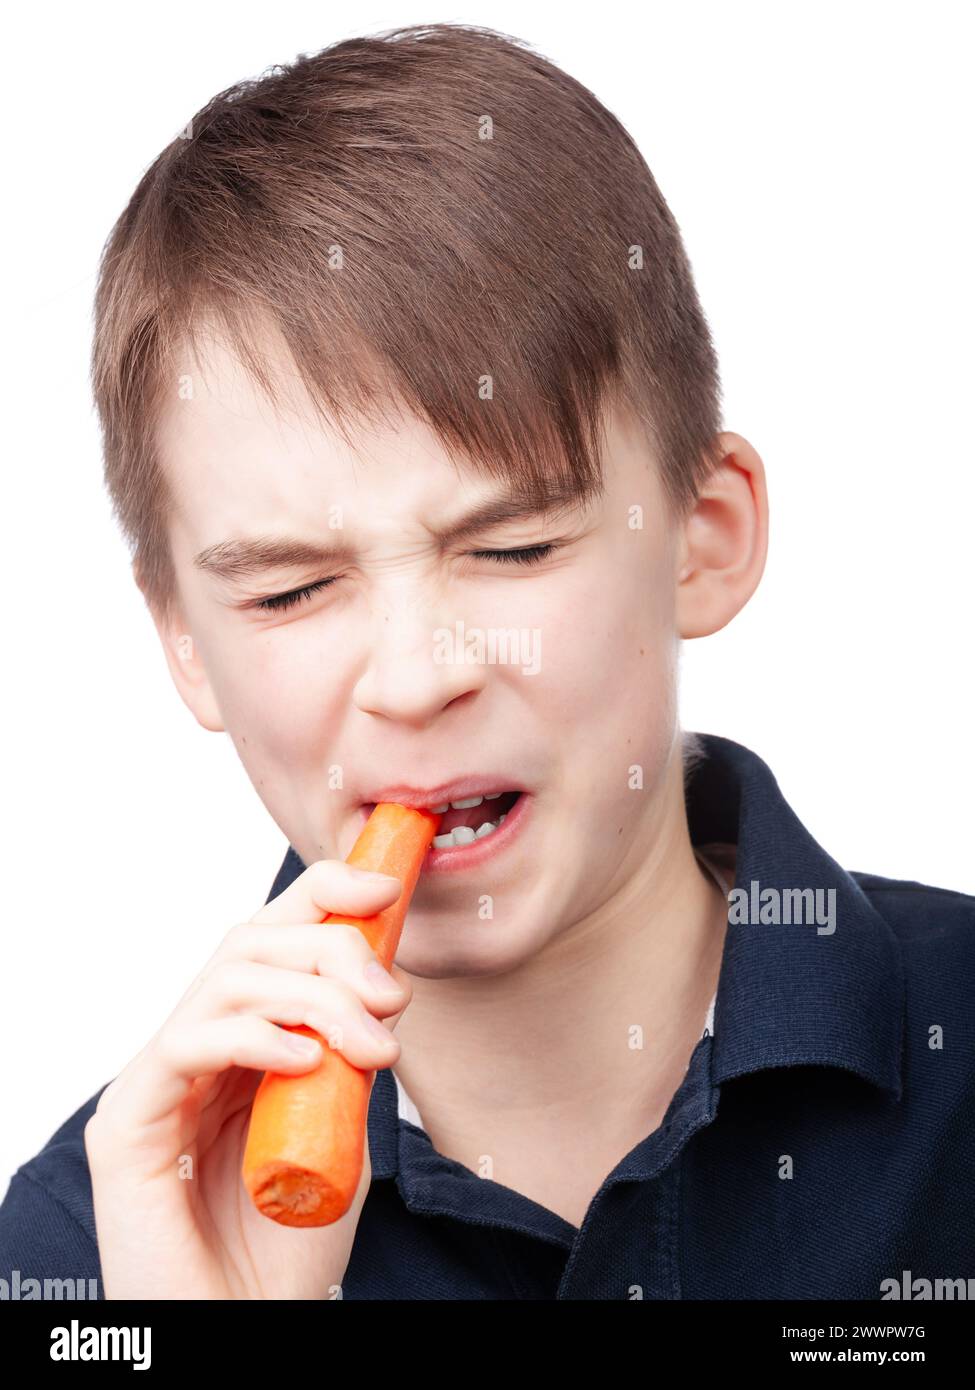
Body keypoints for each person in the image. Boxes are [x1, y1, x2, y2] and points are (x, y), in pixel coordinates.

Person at [1, 22, 972, 1301]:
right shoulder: (90, 1247)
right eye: (293, 589)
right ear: (184, 637)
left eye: (512, 548)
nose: (415, 677)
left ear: (704, 537)